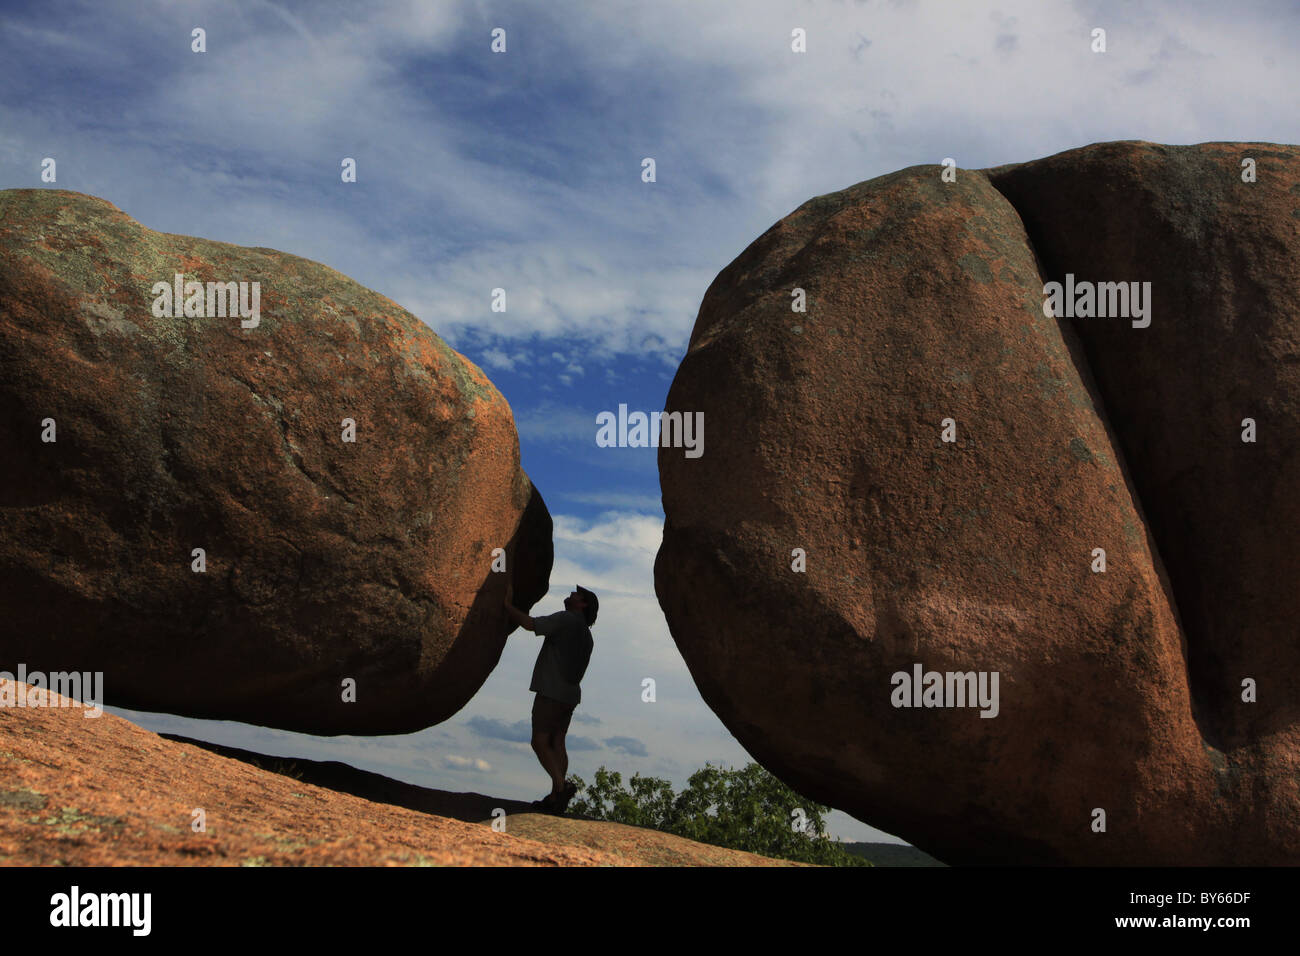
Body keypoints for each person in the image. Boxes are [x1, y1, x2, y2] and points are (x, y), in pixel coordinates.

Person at [503, 583, 597, 814]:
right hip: (570, 695)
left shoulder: (567, 619)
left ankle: (560, 786)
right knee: (557, 742)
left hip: (552, 691)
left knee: (539, 741)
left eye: (577, 594)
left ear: (582, 604)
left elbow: (531, 624)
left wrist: (506, 605)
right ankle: (556, 797)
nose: (571, 594)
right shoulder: (587, 635)